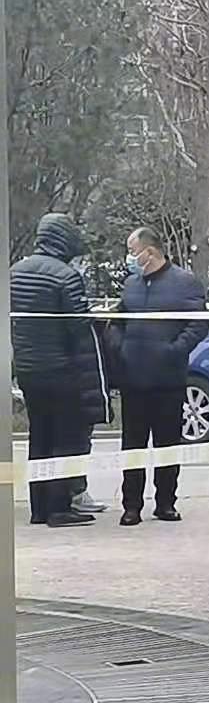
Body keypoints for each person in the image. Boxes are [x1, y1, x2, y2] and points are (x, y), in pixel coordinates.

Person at [11, 213, 110, 527]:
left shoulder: (14, 271)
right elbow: (77, 325)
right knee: (65, 438)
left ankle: (38, 508)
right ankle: (59, 507)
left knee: (38, 437)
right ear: (64, 240)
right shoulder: (65, 276)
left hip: (28, 369)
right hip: (61, 369)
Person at [107, 227, 208, 526]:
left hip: (168, 379)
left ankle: (166, 502)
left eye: (132, 250)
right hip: (133, 379)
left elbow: (198, 324)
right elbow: (119, 319)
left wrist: (174, 350)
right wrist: (119, 345)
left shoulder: (185, 282)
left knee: (167, 444)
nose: (129, 257)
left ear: (149, 252)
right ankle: (132, 505)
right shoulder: (131, 284)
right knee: (133, 446)